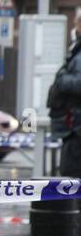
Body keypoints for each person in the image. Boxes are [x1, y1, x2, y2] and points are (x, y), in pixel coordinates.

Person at [47, 9, 81, 178]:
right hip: (73, 128)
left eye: (76, 23)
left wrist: (61, 78)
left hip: (76, 130)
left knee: (71, 177)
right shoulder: (76, 50)